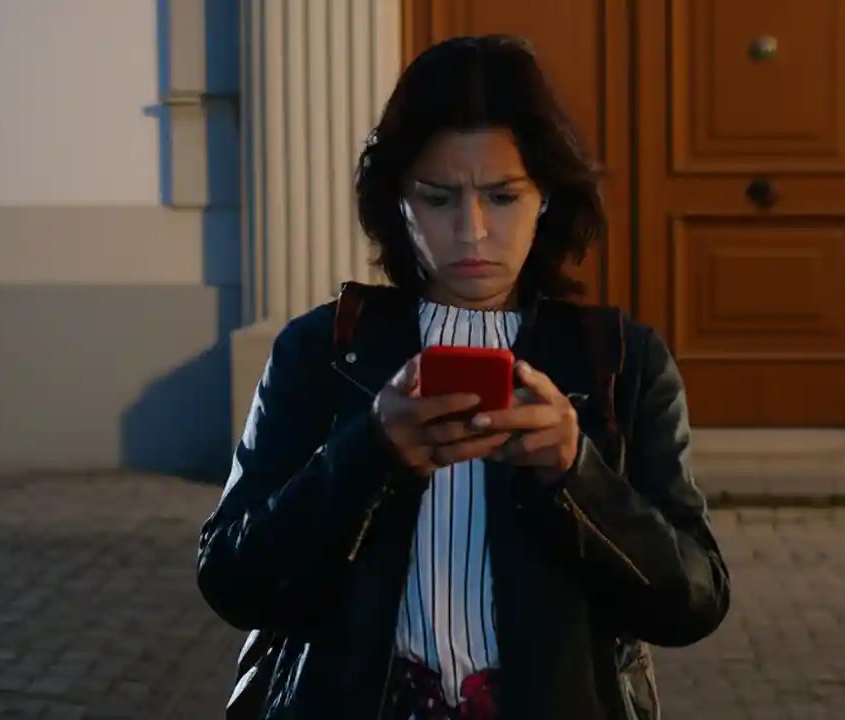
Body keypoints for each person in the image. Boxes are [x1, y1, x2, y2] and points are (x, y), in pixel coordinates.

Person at [197, 34, 731, 720]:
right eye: (438, 197)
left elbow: (694, 601)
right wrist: (369, 452)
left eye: (502, 196)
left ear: (545, 197)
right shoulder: (321, 352)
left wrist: (576, 473)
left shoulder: (619, 360)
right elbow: (232, 580)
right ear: (398, 200)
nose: (472, 230)